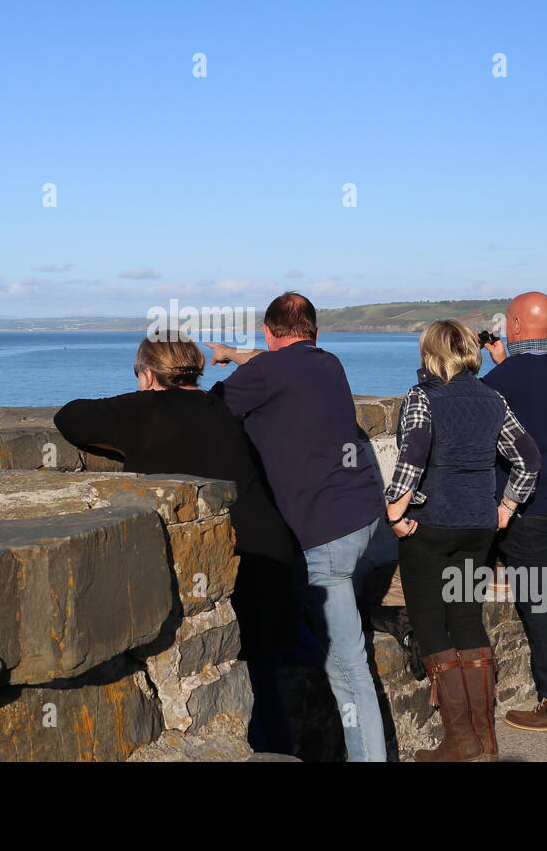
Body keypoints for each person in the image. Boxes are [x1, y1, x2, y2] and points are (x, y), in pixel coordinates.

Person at [54, 334, 300, 754]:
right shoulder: (219, 406)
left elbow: (69, 417)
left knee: (231, 678)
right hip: (272, 550)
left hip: (223, 556)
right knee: (266, 676)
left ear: (148, 376)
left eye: (138, 375)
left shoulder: (140, 407)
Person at [207, 292, 389, 762]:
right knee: (315, 635)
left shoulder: (264, 372)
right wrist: (234, 356)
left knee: (349, 669)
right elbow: (279, 361)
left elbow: (205, 414)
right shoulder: (328, 363)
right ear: (314, 333)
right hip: (362, 518)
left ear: (268, 333)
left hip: (323, 533)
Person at [385, 319, 540, 762]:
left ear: (430, 353)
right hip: (478, 526)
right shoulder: (494, 398)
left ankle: (459, 740)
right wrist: (506, 508)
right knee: (469, 621)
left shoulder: (423, 397)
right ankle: (485, 742)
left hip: (429, 526)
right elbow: (528, 458)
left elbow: (413, 455)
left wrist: (394, 512)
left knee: (433, 625)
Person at [483, 293, 547, 734]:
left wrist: (497, 367)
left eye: (508, 320)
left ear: (517, 324)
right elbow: (536, 391)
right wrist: (504, 362)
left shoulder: (502, 380)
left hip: (530, 502)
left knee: (537, 599)